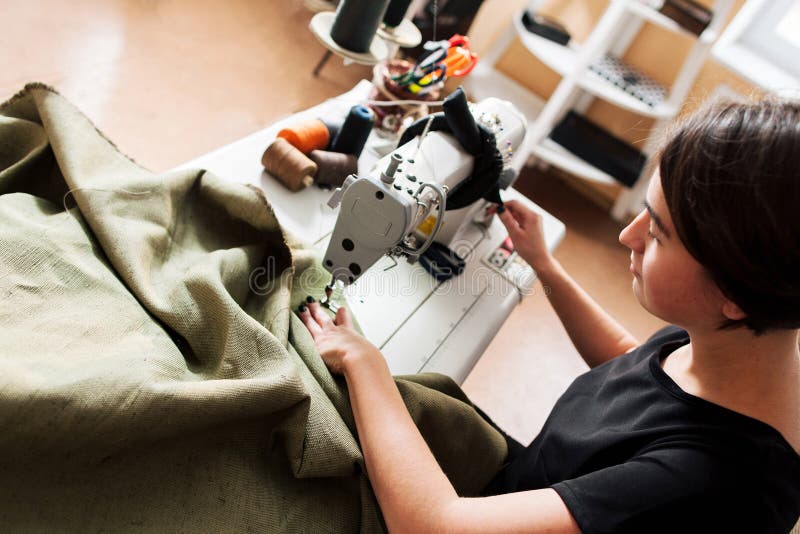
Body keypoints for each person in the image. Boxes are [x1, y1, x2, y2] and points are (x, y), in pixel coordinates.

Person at [298, 97, 800, 533]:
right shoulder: (739, 354)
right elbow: (642, 368)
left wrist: (367, 367)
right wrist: (545, 266)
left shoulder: (709, 486)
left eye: (659, 234)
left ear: (735, 291)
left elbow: (436, 526)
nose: (630, 235)